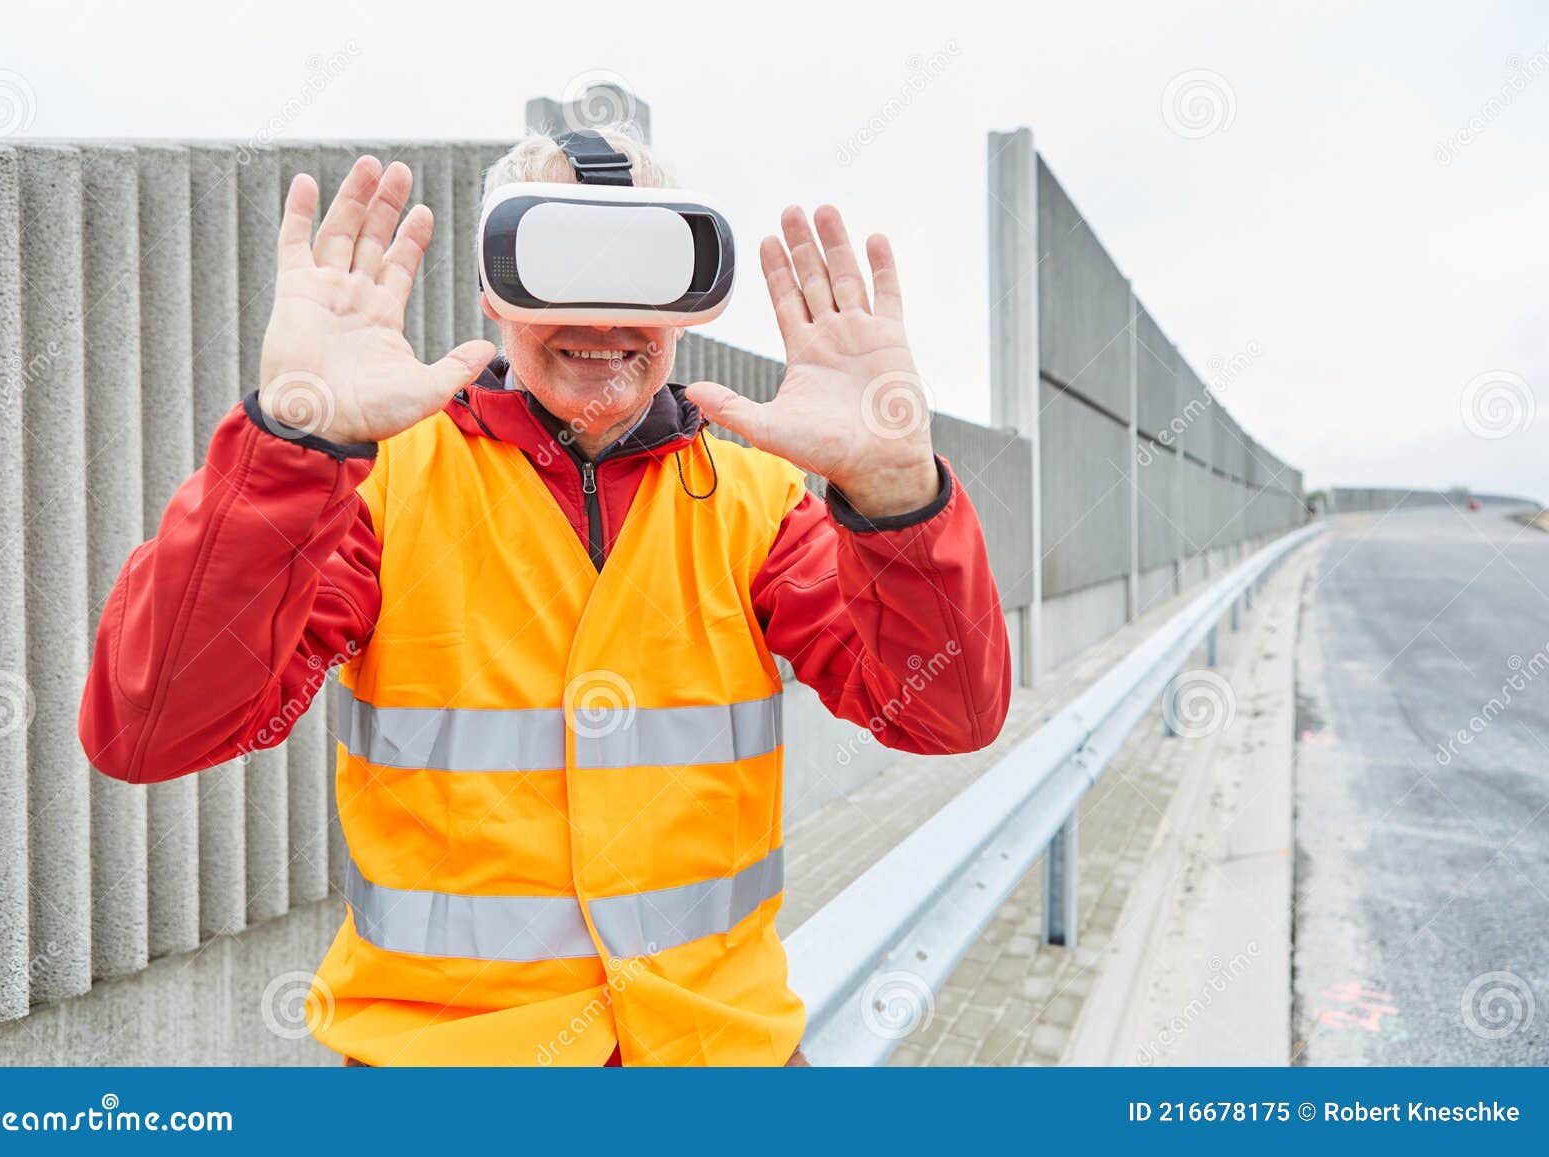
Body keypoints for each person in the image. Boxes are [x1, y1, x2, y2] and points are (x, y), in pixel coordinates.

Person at [79, 127, 1012, 1066]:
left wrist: (896, 492)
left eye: (639, 271)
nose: (602, 319)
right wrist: (291, 446)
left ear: (686, 304)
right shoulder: (383, 491)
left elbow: (948, 715)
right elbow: (151, 728)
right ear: (493, 286)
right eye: (559, 266)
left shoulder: (755, 505)